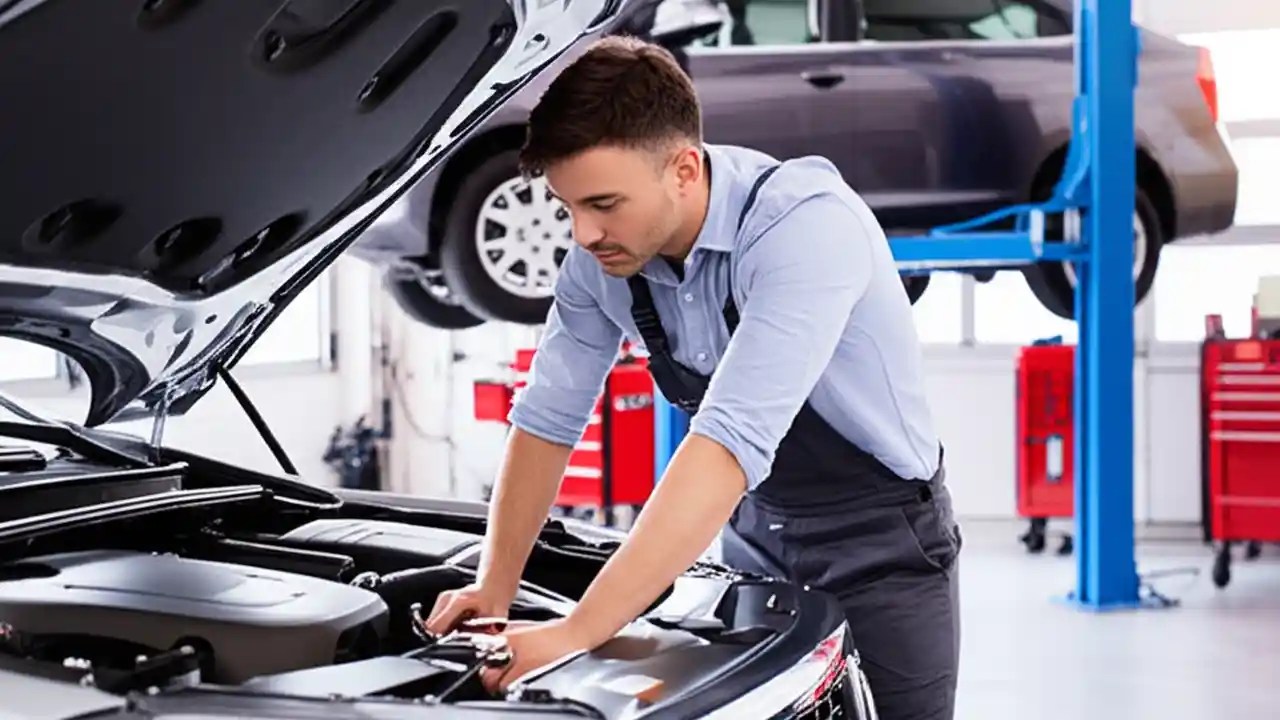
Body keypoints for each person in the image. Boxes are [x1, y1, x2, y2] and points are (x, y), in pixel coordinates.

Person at [424, 35, 962, 720]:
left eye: (605, 203)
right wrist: (495, 587)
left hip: (882, 547)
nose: (584, 234)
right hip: (752, 538)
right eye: (569, 208)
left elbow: (728, 441)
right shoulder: (602, 263)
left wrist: (580, 631)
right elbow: (546, 419)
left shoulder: (804, 229)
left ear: (683, 169)